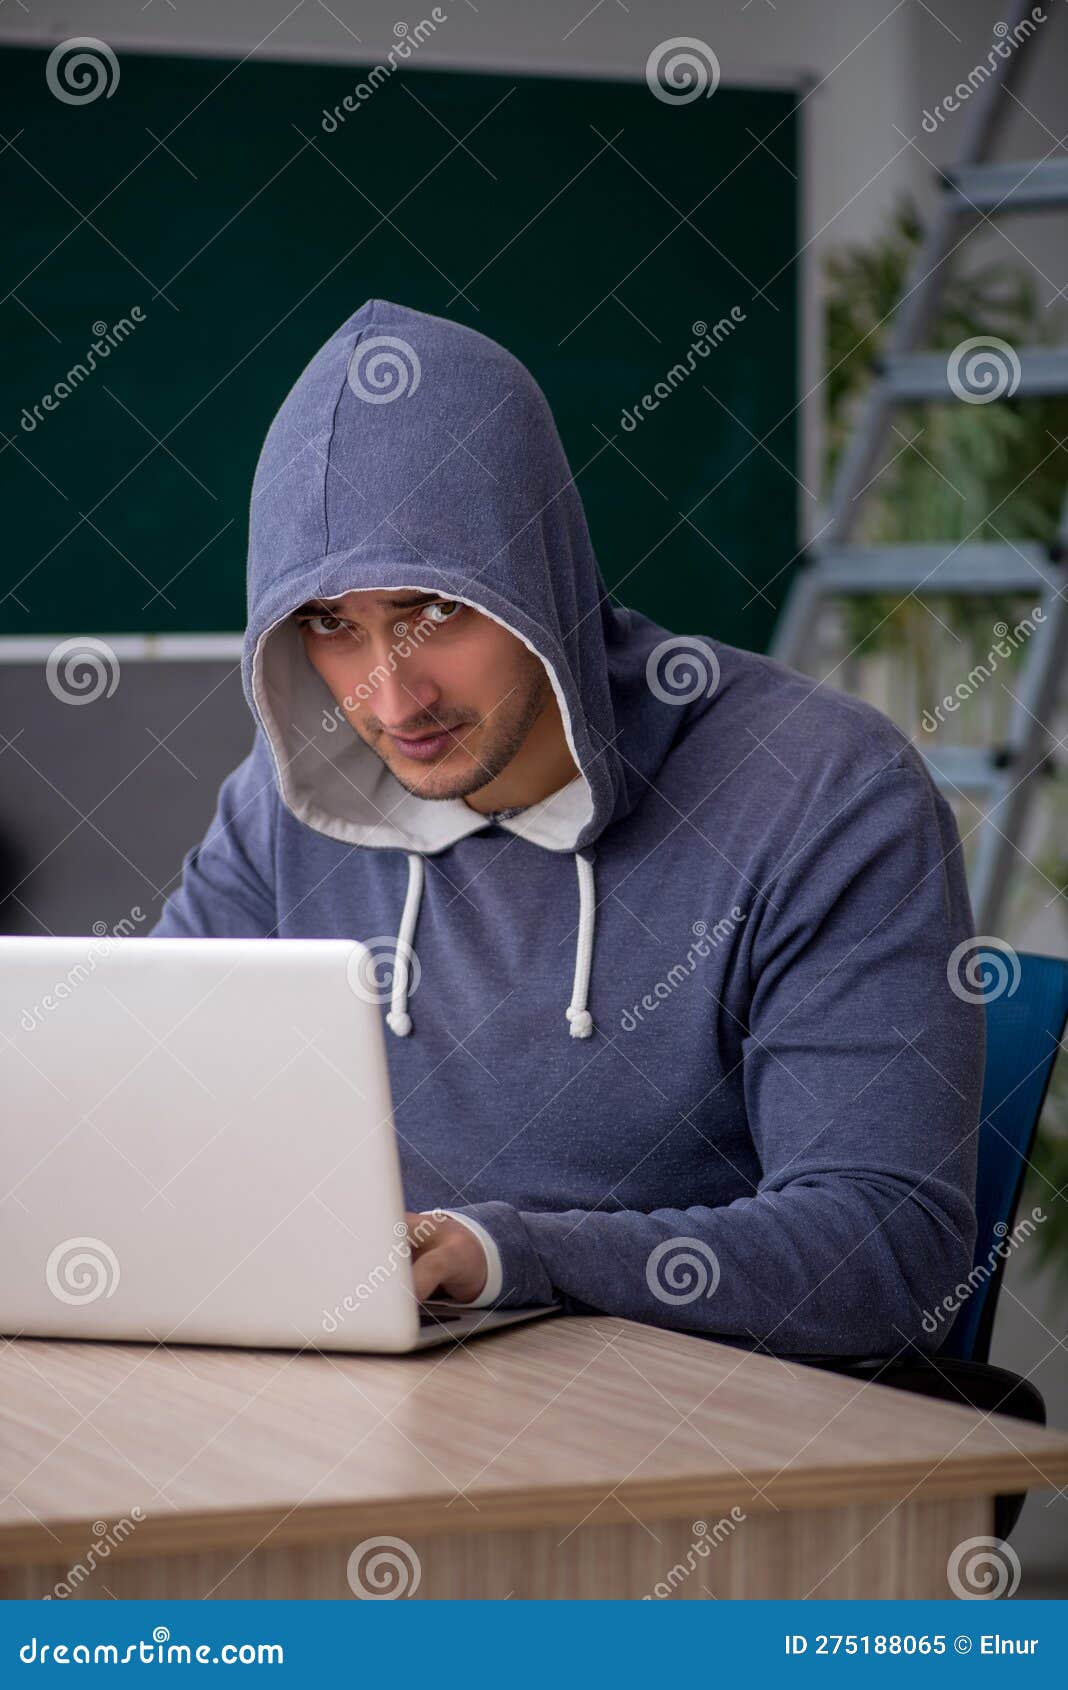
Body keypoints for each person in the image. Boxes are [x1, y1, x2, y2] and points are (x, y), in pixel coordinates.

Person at [152, 298, 983, 1356]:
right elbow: (140, 1118)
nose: (392, 700)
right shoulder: (286, 808)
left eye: (434, 611)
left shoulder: (825, 793)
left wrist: (509, 1254)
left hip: (703, 1448)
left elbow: (892, 1251)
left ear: (537, 570)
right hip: (379, 1406)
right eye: (332, 627)